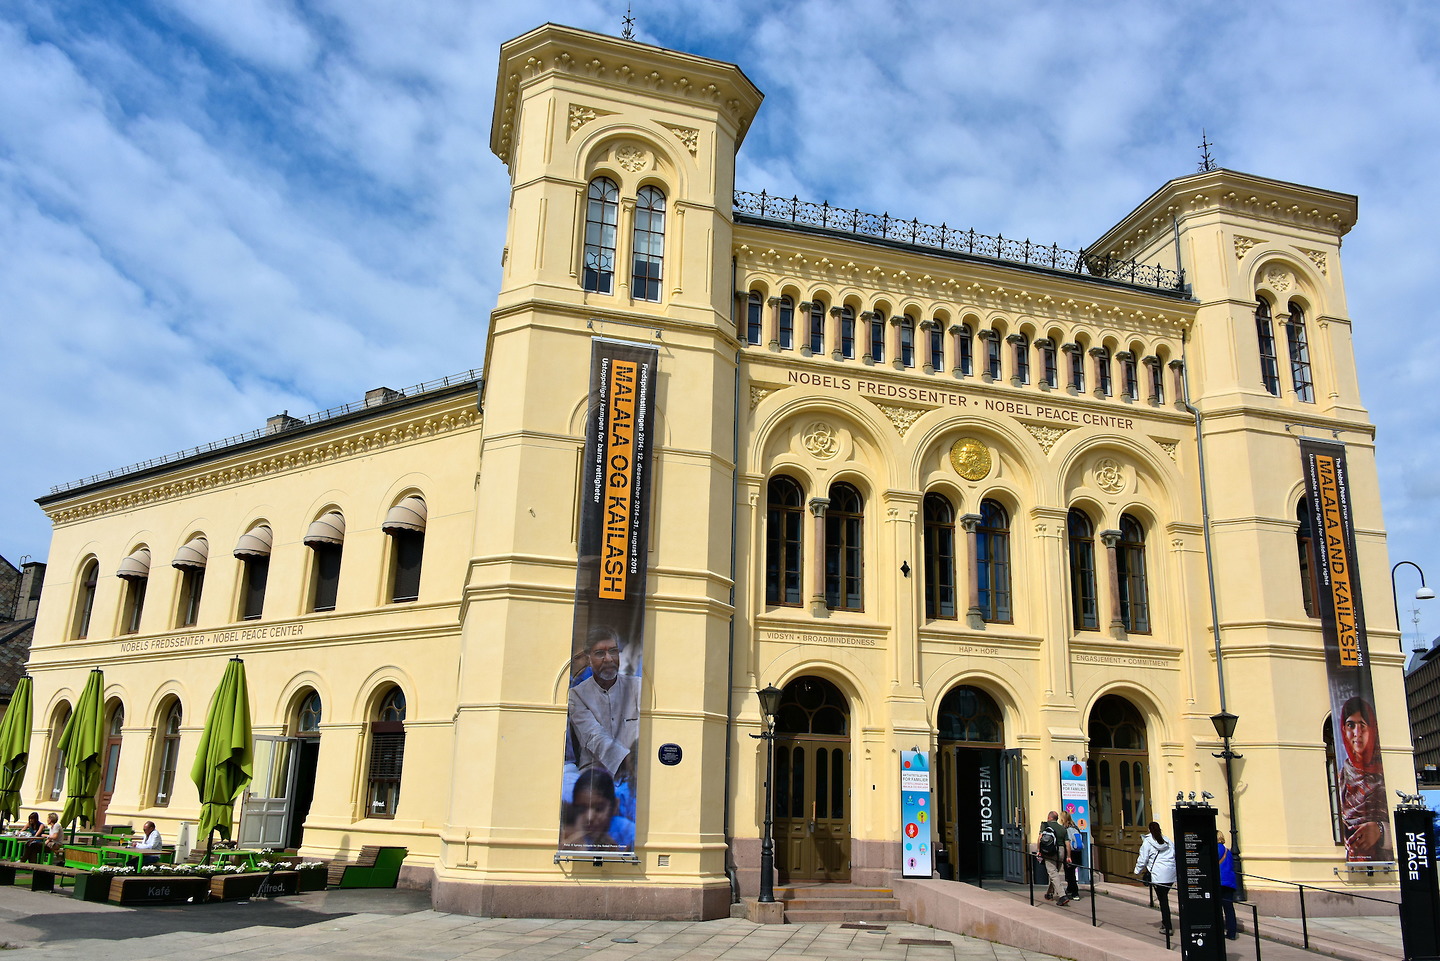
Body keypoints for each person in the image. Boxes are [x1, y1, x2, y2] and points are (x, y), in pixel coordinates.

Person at [567, 626, 641, 786]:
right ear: (588, 658)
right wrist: (628, 760)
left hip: (638, 772)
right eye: (600, 653)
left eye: (613, 651)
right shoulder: (577, 695)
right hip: (595, 775)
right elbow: (594, 736)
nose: (608, 658)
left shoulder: (637, 687)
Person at [1337, 696, 1392, 861]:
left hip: (1384, 865)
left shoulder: (1386, 770)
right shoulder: (1342, 776)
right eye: (1350, 725)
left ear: (1372, 729)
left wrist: (1380, 830)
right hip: (1352, 863)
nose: (1356, 733)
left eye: (1362, 725)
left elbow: (1403, 825)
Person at [560, 769, 635, 850]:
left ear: (615, 806)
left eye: (599, 809)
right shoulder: (570, 831)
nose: (590, 817)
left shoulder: (627, 830)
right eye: (582, 809)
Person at [1135, 821, 1176, 935]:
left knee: (1163, 901)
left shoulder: (1148, 842)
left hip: (1158, 875)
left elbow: (1143, 858)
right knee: (1164, 899)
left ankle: (1167, 926)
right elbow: (1174, 855)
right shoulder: (1168, 841)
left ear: (1149, 830)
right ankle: (1166, 923)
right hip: (1170, 875)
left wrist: (1137, 871)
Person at [1037, 810, 1069, 905]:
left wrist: (1039, 850)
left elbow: (1040, 838)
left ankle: (1062, 896)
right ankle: (1049, 893)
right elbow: (1067, 844)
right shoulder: (1062, 828)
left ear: (1049, 817)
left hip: (1050, 851)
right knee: (1054, 873)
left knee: (1053, 873)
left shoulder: (1045, 825)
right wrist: (1069, 856)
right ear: (1057, 818)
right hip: (1061, 851)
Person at [1217, 830, 1238, 940]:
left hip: (1219, 882)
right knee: (1229, 909)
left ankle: (1219, 931)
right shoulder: (1227, 851)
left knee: (1217, 908)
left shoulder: (1214, 849)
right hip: (1229, 882)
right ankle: (1232, 932)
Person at [1060, 810, 1082, 901]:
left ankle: (1075, 892)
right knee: (1071, 872)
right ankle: (1070, 888)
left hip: (1070, 853)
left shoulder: (1065, 829)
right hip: (1077, 852)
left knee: (1070, 873)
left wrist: (1068, 856)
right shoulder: (1075, 827)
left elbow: (1067, 843)